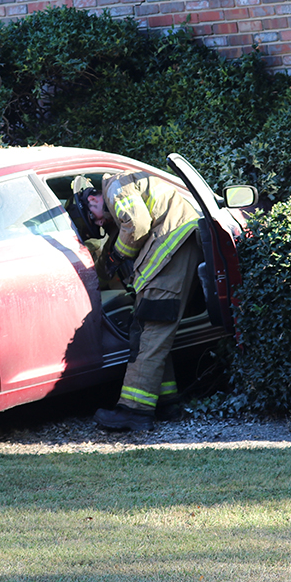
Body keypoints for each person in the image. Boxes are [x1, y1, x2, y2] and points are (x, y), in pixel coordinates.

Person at [67, 171, 202, 432]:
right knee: (149, 331)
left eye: (94, 219)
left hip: (172, 253)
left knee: (149, 333)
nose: (100, 224)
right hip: (174, 254)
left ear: (92, 199)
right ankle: (166, 403)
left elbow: (137, 225)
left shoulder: (116, 187)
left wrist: (117, 254)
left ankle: (134, 411)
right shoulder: (124, 191)